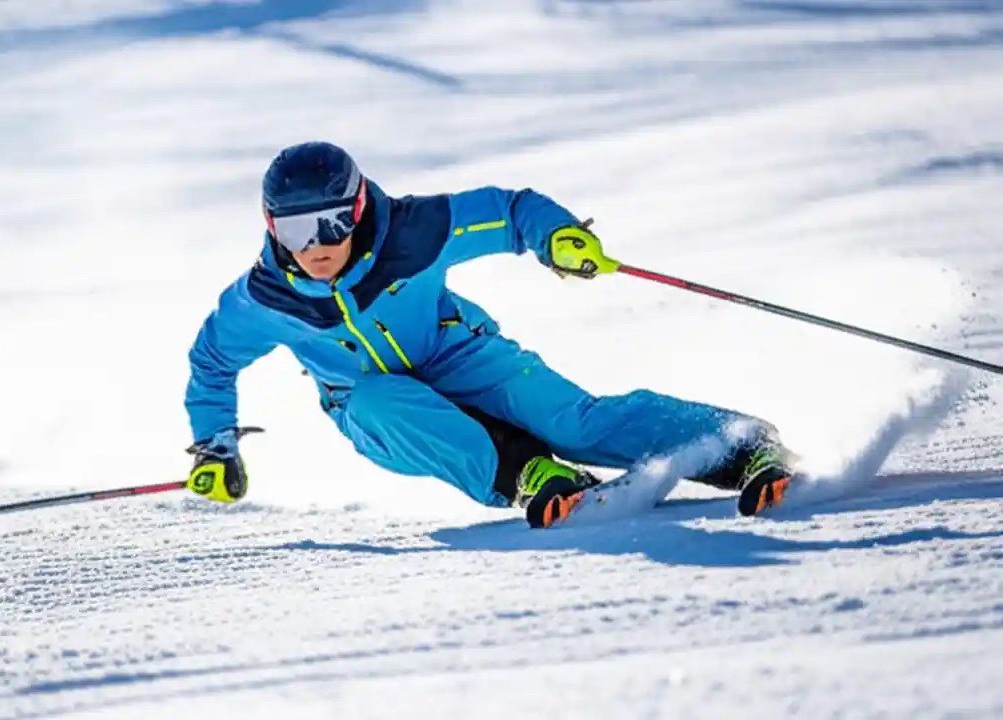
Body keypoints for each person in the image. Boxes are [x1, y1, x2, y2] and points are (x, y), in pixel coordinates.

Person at [183, 141, 796, 528]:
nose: (316, 246)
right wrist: (216, 447)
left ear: (360, 207)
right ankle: (524, 473)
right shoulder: (262, 299)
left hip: (459, 351)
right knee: (376, 397)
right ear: (271, 228)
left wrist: (554, 235)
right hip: (378, 410)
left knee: (572, 422)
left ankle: (741, 446)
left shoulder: (413, 233)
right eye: (295, 232)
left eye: (333, 222)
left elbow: (507, 210)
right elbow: (212, 361)